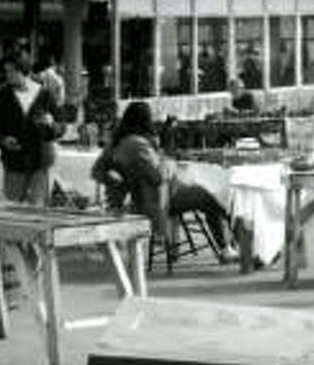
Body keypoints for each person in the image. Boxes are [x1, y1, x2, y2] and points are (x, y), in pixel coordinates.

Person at [92, 101, 236, 262]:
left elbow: (97, 171)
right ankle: (227, 247)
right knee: (212, 196)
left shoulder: (118, 142)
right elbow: (157, 176)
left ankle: (229, 246)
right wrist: (167, 162)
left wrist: (118, 179)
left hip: (146, 195)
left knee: (209, 192)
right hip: (156, 198)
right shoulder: (137, 144)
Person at [0, 54, 64, 205]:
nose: (7, 75)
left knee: (37, 206)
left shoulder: (45, 94)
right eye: (6, 71)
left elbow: (61, 127)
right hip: (14, 160)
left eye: (11, 71)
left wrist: (51, 125)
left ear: (24, 71)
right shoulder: (2, 96)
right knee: (13, 205)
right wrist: (3, 140)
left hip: (41, 160)